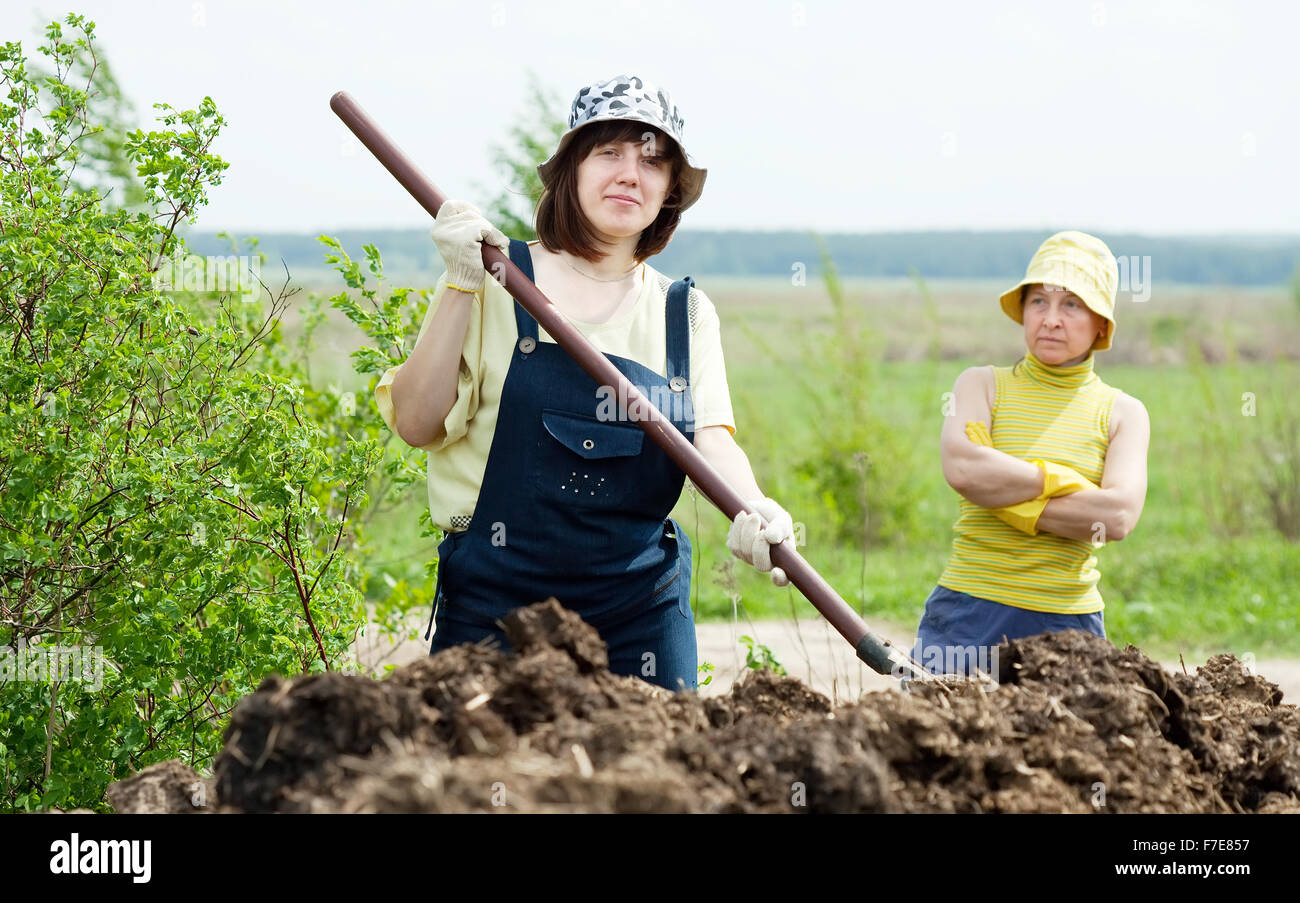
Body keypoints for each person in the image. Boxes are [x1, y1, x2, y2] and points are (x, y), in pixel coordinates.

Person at [375, 75, 794, 692]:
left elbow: (713, 440)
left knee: (658, 781)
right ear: (571, 170)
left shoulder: (686, 313)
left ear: (670, 192)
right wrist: (461, 283)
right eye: (610, 153)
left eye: (653, 160)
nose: (631, 173)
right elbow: (416, 423)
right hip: (496, 607)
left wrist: (753, 505)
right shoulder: (495, 276)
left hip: (639, 612)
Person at [909, 231, 1151, 678]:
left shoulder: (1123, 413)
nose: (1051, 319)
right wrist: (1064, 483)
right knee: (931, 742)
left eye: (1071, 305)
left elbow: (1116, 517)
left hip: (1066, 624)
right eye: (1039, 302)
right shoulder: (980, 385)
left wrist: (1000, 491)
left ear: (1101, 324)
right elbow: (963, 469)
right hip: (966, 614)